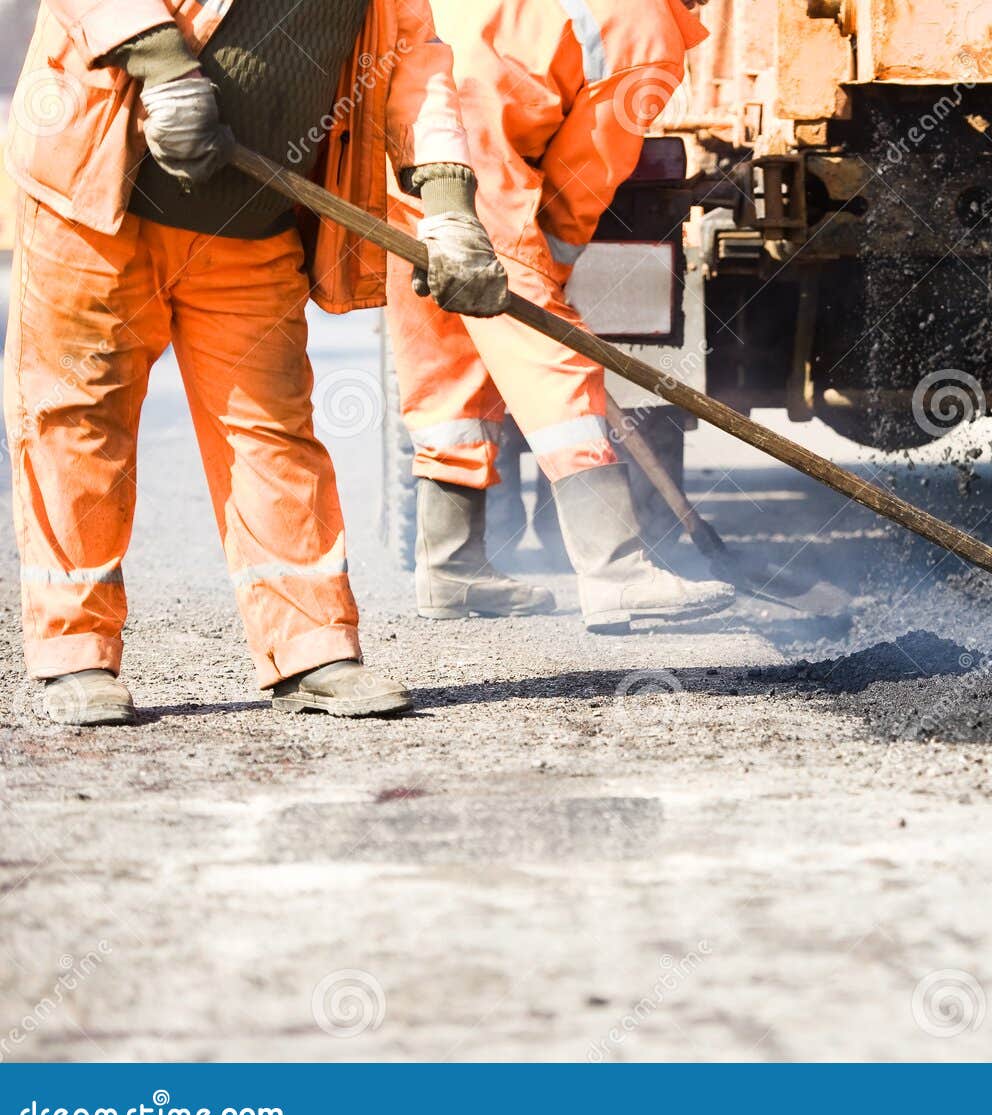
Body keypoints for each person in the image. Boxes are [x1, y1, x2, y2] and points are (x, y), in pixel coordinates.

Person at [4, 0, 508, 724]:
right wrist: (163, 65)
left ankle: (313, 648)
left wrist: (450, 203)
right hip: (96, 200)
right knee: (78, 419)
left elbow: (411, 62)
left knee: (272, 429)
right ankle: (75, 654)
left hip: (249, 220)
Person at [388, 0, 735, 633]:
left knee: (447, 365)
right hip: (478, 176)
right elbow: (583, 178)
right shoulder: (647, 31)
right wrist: (548, 274)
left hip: (409, 152)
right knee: (556, 371)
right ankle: (618, 574)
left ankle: (451, 567)